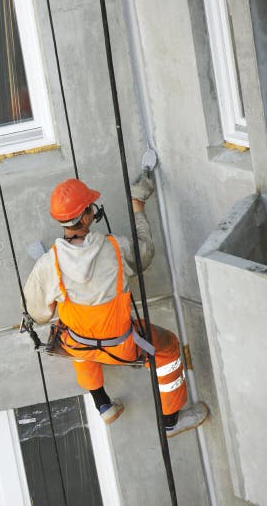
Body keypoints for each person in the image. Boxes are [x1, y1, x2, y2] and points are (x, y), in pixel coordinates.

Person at [23, 177, 208, 437]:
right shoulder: (115, 247)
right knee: (168, 348)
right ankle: (171, 421)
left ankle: (102, 404)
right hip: (123, 346)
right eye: (91, 207)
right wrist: (138, 206)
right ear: (87, 216)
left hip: (79, 344)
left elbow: (39, 314)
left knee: (71, 335)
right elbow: (145, 252)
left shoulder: (47, 264)